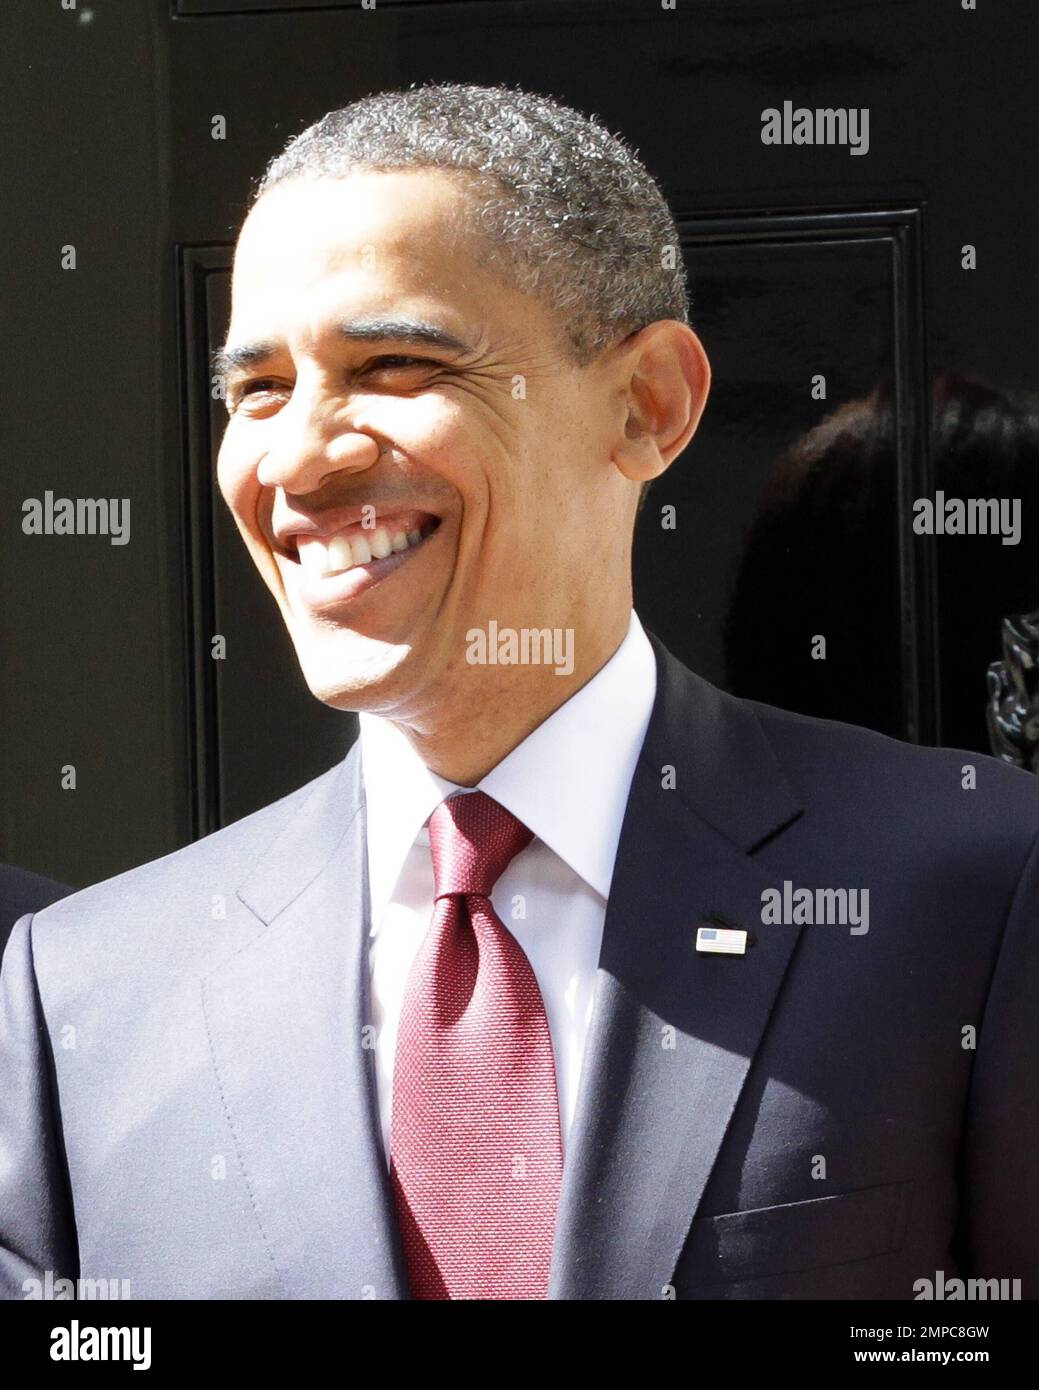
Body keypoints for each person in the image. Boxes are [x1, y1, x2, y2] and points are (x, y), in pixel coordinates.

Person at [1, 82, 1037, 1302]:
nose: (295, 459)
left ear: (648, 403)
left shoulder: (970, 886)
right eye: (260, 388)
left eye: (391, 364)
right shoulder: (81, 992)